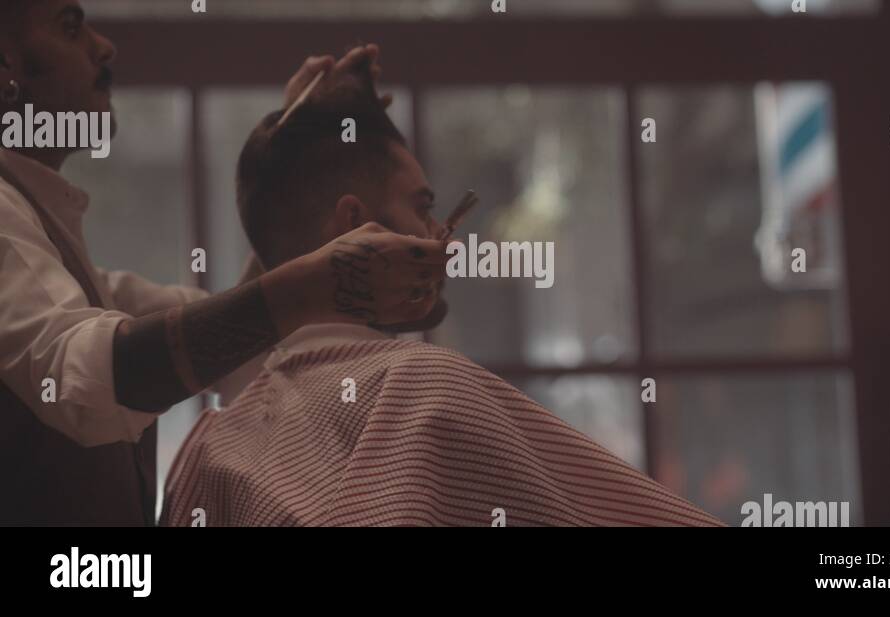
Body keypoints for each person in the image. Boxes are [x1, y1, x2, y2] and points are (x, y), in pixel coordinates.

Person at [159, 72, 723, 527]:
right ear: (353, 224)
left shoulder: (206, 452)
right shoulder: (424, 389)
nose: (443, 240)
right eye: (423, 208)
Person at [0, 0, 445, 525]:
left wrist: (286, 170)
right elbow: (83, 374)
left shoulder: (61, 255)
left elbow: (218, 337)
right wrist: (310, 286)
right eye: (70, 28)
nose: (104, 45)